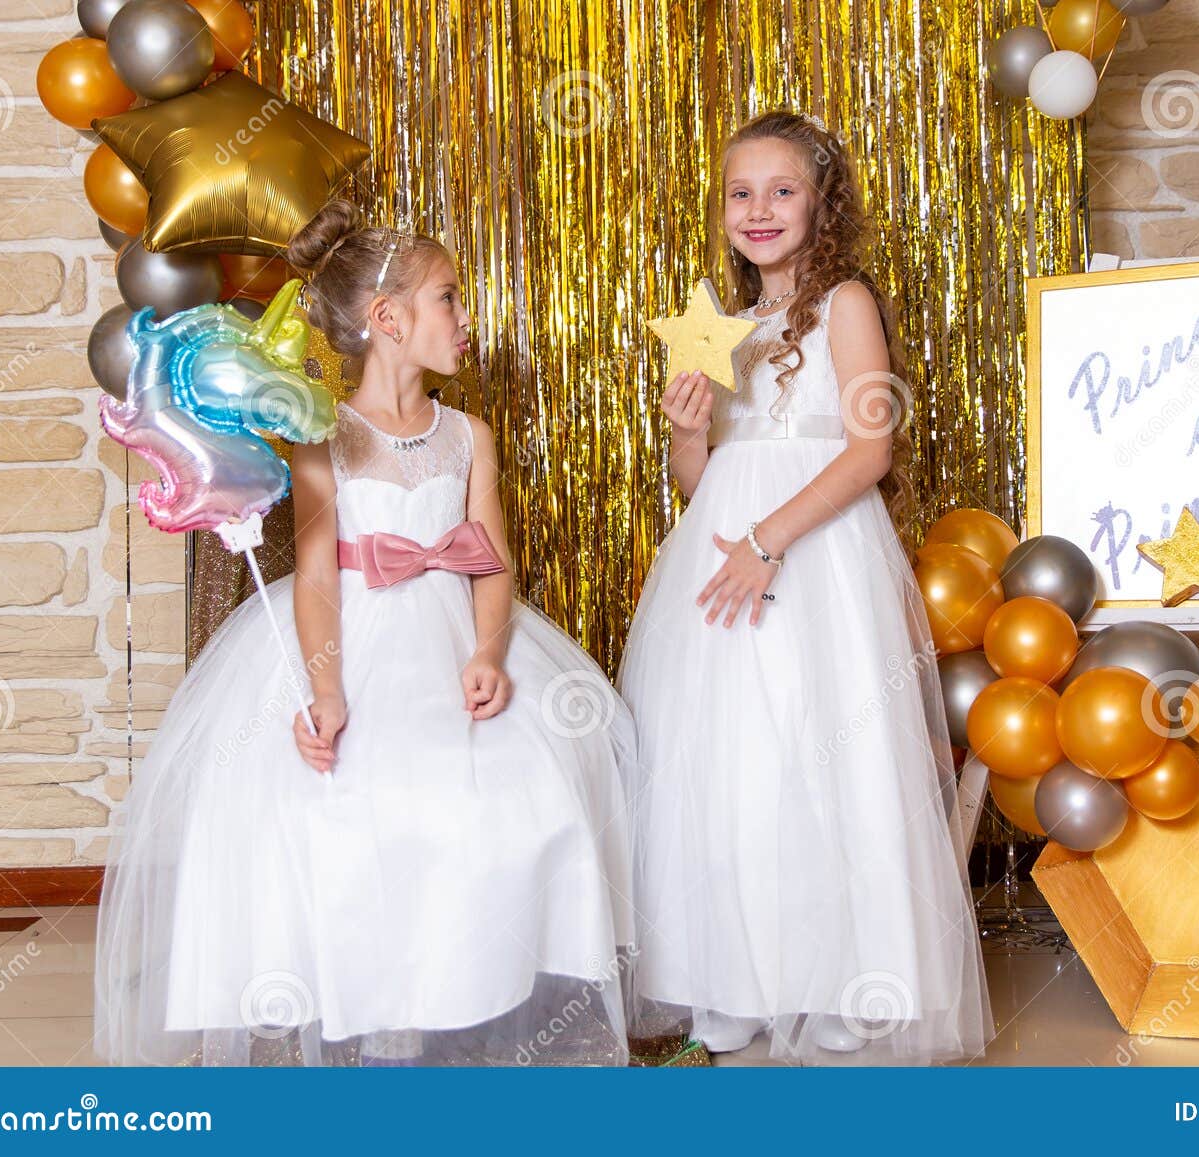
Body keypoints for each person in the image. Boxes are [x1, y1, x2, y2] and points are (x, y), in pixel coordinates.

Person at [94, 201, 639, 1067]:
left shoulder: (470, 437)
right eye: (450, 300)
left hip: (452, 638)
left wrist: (490, 653)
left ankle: (469, 991)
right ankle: (368, 1010)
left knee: (516, 796)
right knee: (344, 812)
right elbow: (316, 575)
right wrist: (327, 688)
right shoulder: (326, 440)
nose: (466, 319)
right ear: (389, 320)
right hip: (349, 642)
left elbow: (489, 562)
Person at [619, 111, 994, 1063]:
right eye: (741, 193)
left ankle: (842, 981)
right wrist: (688, 428)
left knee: (825, 756)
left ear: (821, 202)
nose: (759, 210)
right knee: (731, 763)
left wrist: (767, 540)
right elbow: (700, 482)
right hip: (721, 559)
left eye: (782, 190)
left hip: (810, 558)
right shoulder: (719, 324)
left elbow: (870, 450)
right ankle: (735, 981)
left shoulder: (845, 305)